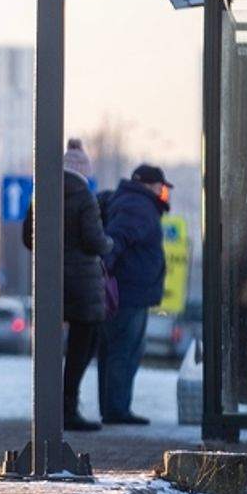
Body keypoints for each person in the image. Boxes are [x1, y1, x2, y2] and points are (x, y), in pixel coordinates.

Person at [23, 139, 114, 432]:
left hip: (51, 280)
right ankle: (69, 406)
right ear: (84, 171)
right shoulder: (86, 198)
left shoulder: (42, 194)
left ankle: (50, 407)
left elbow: (28, 238)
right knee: (82, 346)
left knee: (50, 346)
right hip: (83, 286)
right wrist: (108, 242)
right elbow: (94, 241)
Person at [98, 163, 170, 425]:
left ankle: (112, 407)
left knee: (114, 351)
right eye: (161, 187)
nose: (164, 193)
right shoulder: (138, 206)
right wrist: (103, 271)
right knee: (125, 351)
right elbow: (116, 239)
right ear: (151, 186)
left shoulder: (129, 201)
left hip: (125, 291)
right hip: (129, 293)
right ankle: (117, 410)